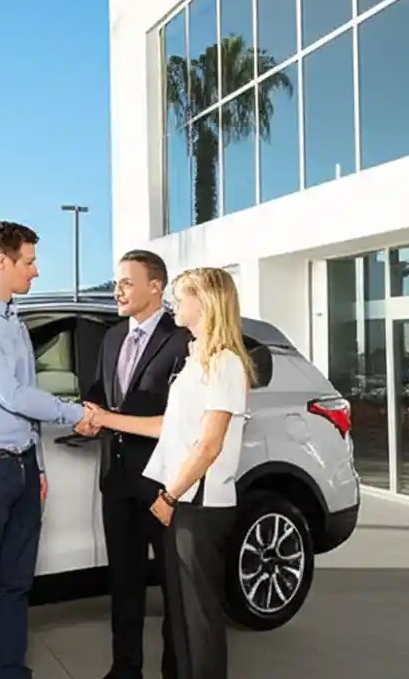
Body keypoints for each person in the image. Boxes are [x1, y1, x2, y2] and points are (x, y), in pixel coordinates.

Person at [83, 266, 255, 679]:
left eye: (182, 296)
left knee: (199, 621)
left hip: (198, 504)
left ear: (206, 301)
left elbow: (209, 445)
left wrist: (168, 495)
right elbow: (167, 426)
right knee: (184, 614)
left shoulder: (226, 363)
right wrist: (105, 418)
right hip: (183, 501)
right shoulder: (198, 361)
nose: (175, 303)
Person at [0, 220, 87, 679]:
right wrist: (76, 413)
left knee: (16, 586)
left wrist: (37, 467)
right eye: (29, 261)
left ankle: (10, 672)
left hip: (22, 467)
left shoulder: (13, 320)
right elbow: (11, 394)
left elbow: (27, 398)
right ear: (2, 262)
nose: (36, 270)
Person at [76, 250, 190, 679]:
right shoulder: (111, 339)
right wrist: (86, 417)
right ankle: (125, 669)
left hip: (164, 484)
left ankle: (175, 670)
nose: (118, 291)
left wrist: (106, 418)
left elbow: (180, 421)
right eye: (117, 282)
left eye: (127, 282)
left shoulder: (182, 339)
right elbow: (99, 395)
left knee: (175, 588)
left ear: (155, 286)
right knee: (124, 584)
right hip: (117, 481)